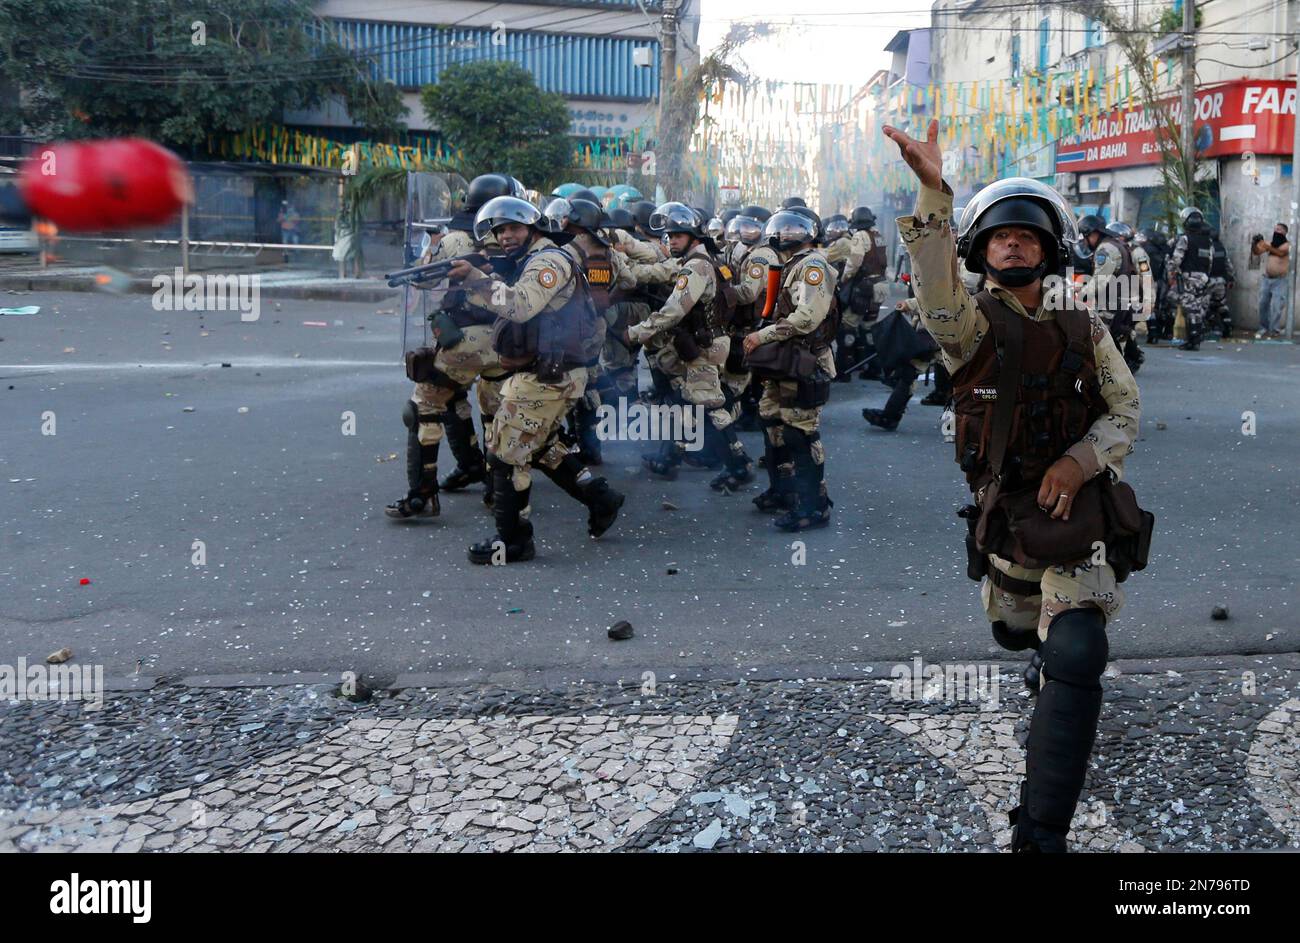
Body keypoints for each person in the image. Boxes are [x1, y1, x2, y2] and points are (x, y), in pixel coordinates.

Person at [886, 118, 1144, 853]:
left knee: (1076, 651)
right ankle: (1040, 655)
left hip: (1078, 512)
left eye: (1027, 235)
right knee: (1012, 631)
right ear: (980, 249)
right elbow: (936, 292)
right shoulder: (970, 326)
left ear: (1049, 248)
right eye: (999, 235)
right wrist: (934, 190)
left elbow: (1123, 408)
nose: (1013, 242)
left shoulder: (1081, 323)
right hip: (1009, 515)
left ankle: (1039, 830)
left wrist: (1081, 460)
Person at [448, 196, 625, 564]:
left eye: (513, 228)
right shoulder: (531, 260)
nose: (506, 236)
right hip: (545, 370)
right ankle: (601, 498)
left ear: (532, 227)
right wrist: (477, 281)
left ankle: (513, 541)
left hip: (551, 373)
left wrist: (478, 279)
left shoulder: (548, 261)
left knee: (506, 452)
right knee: (542, 447)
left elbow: (522, 305)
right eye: (500, 230)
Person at [385, 173, 516, 519]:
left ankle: (422, 495)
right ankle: (496, 491)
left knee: (424, 406)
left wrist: (429, 246)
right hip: (506, 341)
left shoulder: (456, 240)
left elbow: (424, 277)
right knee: (495, 415)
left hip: (466, 343)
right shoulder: (518, 238)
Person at [626, 202, 754, 491]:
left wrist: (636, 333)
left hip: (704, 345)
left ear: (694, 237)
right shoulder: (707, 260)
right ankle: (670, 456)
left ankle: (739, 464)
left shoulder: (695, 267)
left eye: (678, 236)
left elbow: (674, 310)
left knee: (709, 405)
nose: (671, 241)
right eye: (669, 236)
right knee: (684, 398)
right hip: (708, 340)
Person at [742, 208, 838, 530]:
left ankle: (814, 505)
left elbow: (808, 317)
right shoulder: (790, 265)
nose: (786, 235)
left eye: (792, 230)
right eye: (783, 230)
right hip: (785, 361)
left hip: (805, 363)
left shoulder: (813, 267)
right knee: (771, 422)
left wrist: (762, 336)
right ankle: (782, 490)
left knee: (801, 432)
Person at [1167, 207, 1214, 351]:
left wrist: (1172, 273)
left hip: (1188, 278)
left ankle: (1193, 340)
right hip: (1203, 278)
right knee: (1197, 308)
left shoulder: (1184, 239)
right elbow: (1210, 261)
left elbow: (1176, 259)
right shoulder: (1208, 241)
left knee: (1189, 308)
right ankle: (1195, 338)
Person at [1253, 223, 1291, 338]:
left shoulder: (1287, 245)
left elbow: (1280, 253)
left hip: (1280, 281)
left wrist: (1265, 245)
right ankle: (1263, 327)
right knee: (1263, 304)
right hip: (1267, 279)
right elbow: (1257, 252)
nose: (1276, 231)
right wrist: (1255, 243)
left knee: (1276, 306)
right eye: (1275, 229)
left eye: (1279, 230)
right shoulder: (1270, 244)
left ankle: (1274, 329)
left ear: (1284, 232)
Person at [1205, 228, 1236, 340]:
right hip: (1221, 281)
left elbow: (1207, 264)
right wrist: (1231, 278)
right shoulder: (1222, 248)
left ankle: (1215, 328)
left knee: (1204, 306)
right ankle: (1228, 327)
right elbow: (1228, 264)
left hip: (1209, 280)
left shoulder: (1208, 248)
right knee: (1221, 305)